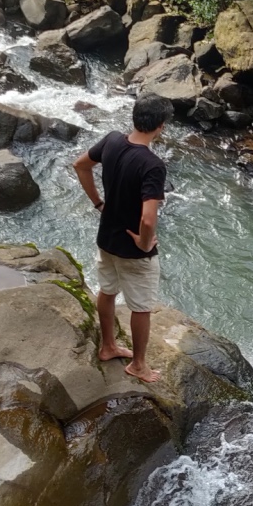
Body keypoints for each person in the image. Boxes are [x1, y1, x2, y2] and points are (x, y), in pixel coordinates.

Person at [73, 93, 174, 383]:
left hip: (106, 238)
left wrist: (98, 204)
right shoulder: (152, 165)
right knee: (141, 307)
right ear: (160, 126)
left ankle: (107, 346)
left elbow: (80, 166)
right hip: (133, 250)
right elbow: (148, 218)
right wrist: (144, 242)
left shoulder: (112, 140)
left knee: (107, 291)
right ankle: (139, 366)